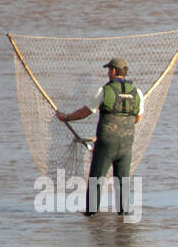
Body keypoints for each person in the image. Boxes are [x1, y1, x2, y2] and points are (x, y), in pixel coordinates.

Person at [56, 57, 144, 216]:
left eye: (109, 70)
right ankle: (124, 216)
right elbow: (137, 117)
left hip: (106, 143)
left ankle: (91, 215)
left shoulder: (104, 91)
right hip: (126, 145)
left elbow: (85, 112)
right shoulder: (137, 93)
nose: (108, 73)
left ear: (114, 71)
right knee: (123, 182)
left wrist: (66, 117)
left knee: (96, 180)